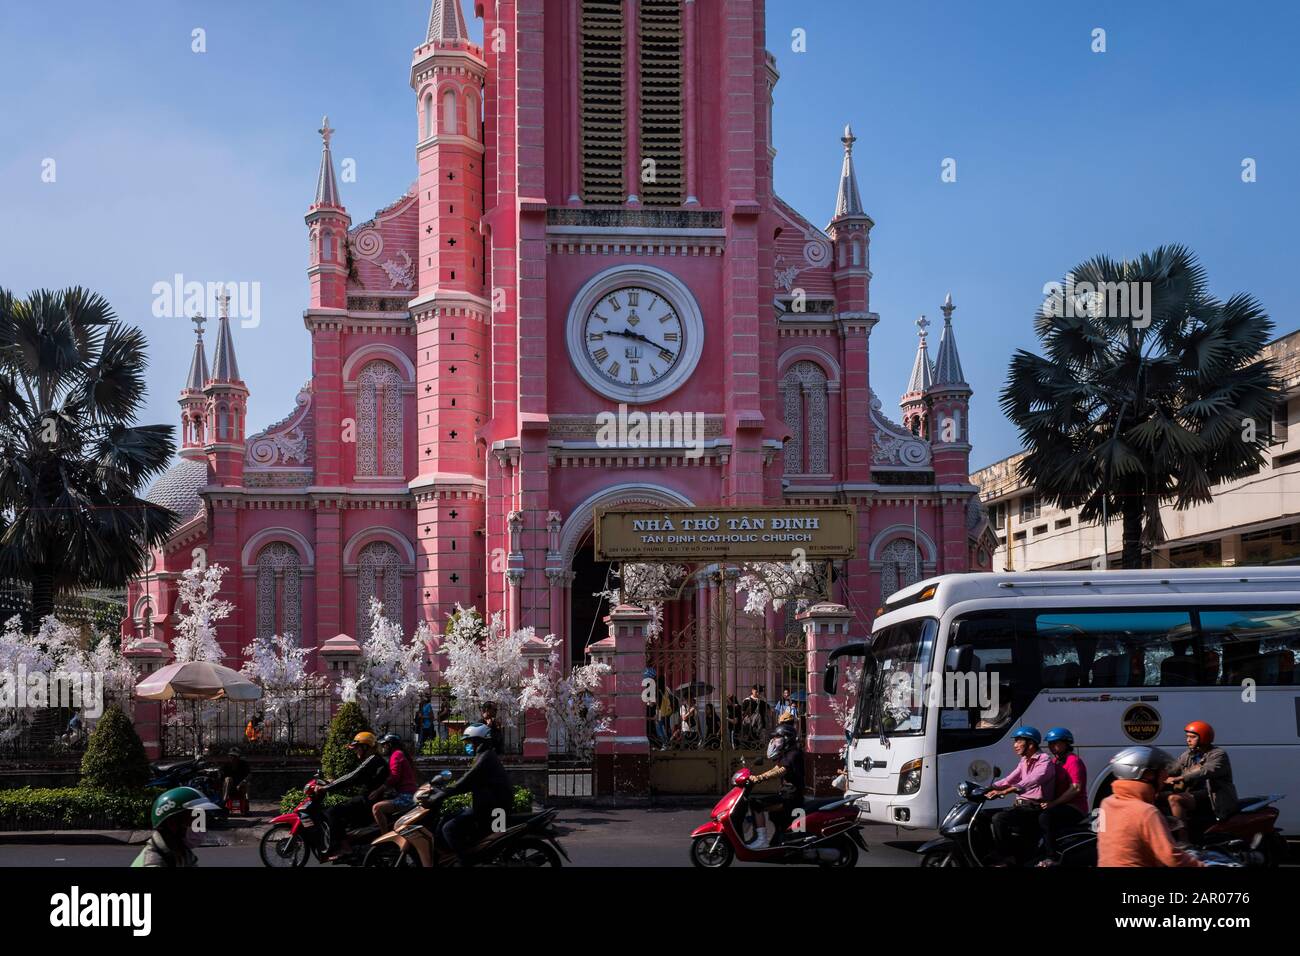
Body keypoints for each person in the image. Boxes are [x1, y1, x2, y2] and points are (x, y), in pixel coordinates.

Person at [1098, 746, 1204, 867]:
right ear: (1148, 774)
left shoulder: (1106, 803)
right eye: (1161, 771)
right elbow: (1171, 858)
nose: (1165, 776)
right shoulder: (1146, 812)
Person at [437, 722, 514, 865]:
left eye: (470, 742)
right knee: (448, 818)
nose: (468, 746)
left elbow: (467, 780)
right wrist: (448, 790)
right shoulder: (484, 755)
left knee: (448, 828)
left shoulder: (485, 758)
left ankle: (466, 862)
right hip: (491, 805)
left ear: (478, 741)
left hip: (494, 809)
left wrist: (443, 793)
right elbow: (469, 781)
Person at [983, 726, 1054, 865]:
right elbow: (1010, 778)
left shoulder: (1044, 760)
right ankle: (988, 851)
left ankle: (1007, 856)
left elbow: (1032, 780)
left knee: (999, 818)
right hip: (1021, 807)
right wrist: (989, 787)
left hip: (1035, 808)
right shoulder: (1024, 760)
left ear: (1031, 744)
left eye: (1018, 741)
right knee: (982, 816)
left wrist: (1005, 791)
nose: (1014, 745)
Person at [320, 731, 390, 858]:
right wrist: (333, 782)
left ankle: (345, 848)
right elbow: (356, 779)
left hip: (368, 800)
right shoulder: (374, 760)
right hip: (369, 798)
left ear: (365, 747)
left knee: (332, 812)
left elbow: (353, 776)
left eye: (357, 748)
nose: (355, 751)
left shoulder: (373, 760)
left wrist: (327, 788)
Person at [1165, 720, 1238, 838]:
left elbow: (1205, 770)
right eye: (1187, 737)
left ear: (1204, 737)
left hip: (1214, 798)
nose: (1188, 740)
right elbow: (1173, 767)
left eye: (1192, 737)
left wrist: (1180, 777)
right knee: (1160, 797)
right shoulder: (1188, 755)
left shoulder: (1218, 754)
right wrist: (1158, 772)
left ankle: (1182, 841)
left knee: (1175, 799)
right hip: (1196, 795)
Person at [746, 711, 804, 849]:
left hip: (791, 796)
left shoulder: (794, 753)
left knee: (756, 804)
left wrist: (760, 778)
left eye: (778, 737)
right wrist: (758, 777)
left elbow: (781, 770)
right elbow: (776, 768)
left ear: (786, 738)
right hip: (786, 793)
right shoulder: (787, 752)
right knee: (766, 809)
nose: (775, 741)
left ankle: (761, 840)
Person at [131, 786, 220, 867]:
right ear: (172, 823)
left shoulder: (182, 853)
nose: (201, 828)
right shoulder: (153, 862)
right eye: (195, 821)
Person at [1036, 727, 1088, 862]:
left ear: (1066, 743)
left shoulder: (1073, 761)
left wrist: (1052, 803)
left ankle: (1051, 857)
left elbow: (1075, 788)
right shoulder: (1054, 762)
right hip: (1058, 805)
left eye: (1055, 743)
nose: (1052, 747)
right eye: (1050, 743)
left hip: (1075, 807)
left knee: (1045, 817)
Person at [372, 734, 420, 832]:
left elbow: (394, 777)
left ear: (390, 745)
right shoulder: (400, 754)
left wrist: (377, 791)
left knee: (376, 808)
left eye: (385, 745)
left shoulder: (396, 755)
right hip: (409, 793)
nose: (384, 747)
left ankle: (384, 837)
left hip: (406, 796)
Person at [208, 745, 251, 815]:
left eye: (234, 756)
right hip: (229, 787)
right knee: (228, 779)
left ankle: (246, 803)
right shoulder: (226, 766)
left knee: (247, 784)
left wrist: (242, 782)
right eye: (231, 756)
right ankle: (224, 801)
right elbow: (221, 778)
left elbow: (249, 775)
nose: (232, 758)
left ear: (238, 757)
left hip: (241, 785)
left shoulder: (244, 764)